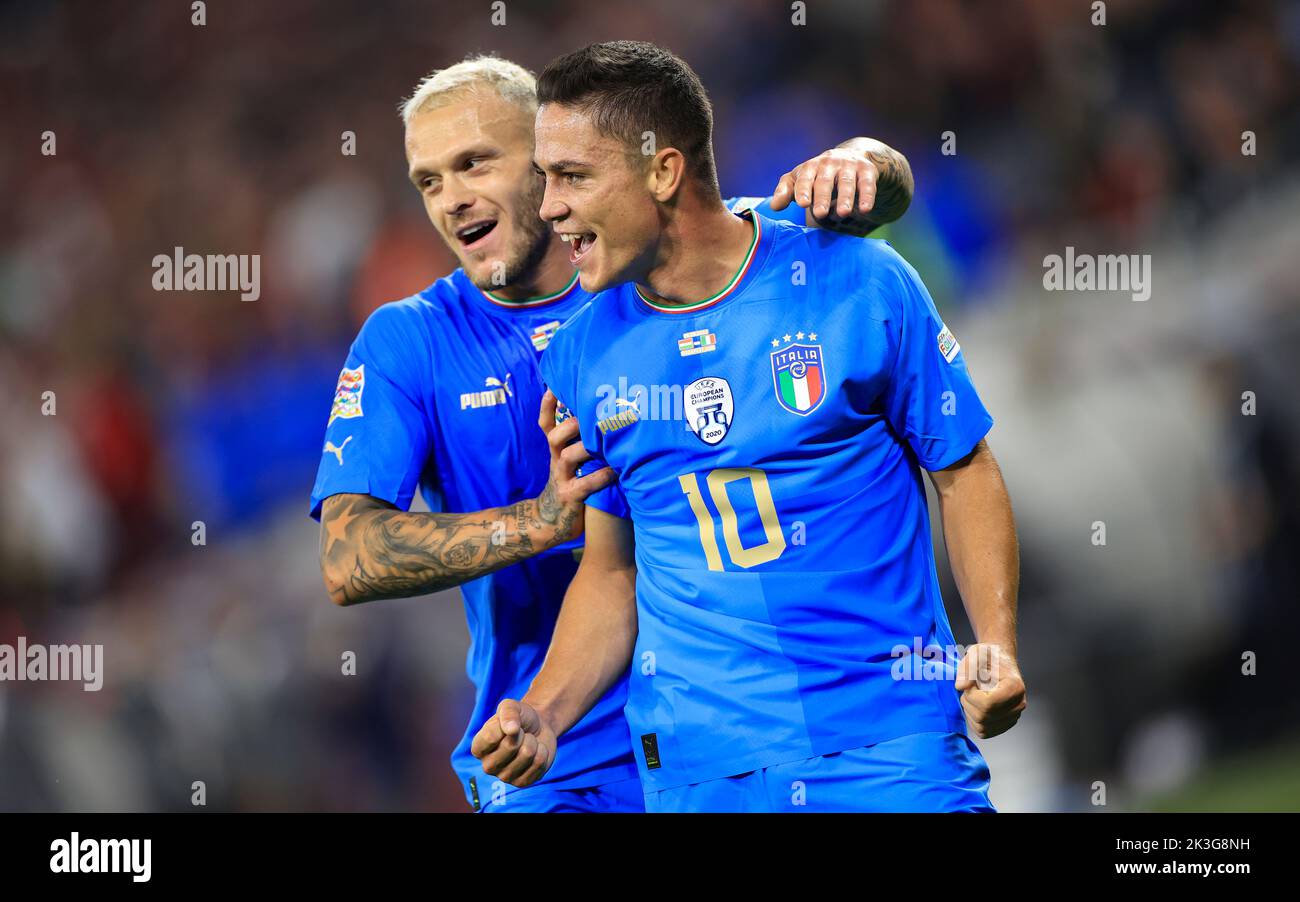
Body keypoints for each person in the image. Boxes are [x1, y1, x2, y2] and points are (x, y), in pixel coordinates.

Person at [310, 53, 915, 813]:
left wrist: (868, 160)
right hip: (558, 758)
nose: (452, 201)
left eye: (474, 165)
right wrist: (540, 521)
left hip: (737, 733)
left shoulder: (664, 263)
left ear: (548, 160)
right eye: (428, 181)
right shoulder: (409, 342)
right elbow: (347, 557)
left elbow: (849, 199)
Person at [471, 41, 1025, 812]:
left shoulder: (855, 281)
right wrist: (546, 711)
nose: (550, 206)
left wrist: (993, 643)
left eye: (573, 176)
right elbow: (611, 572)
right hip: (703, 772)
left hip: (887, 745)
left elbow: (963, 470)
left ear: (663, 171)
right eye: (545, 179)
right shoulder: (580, 357)